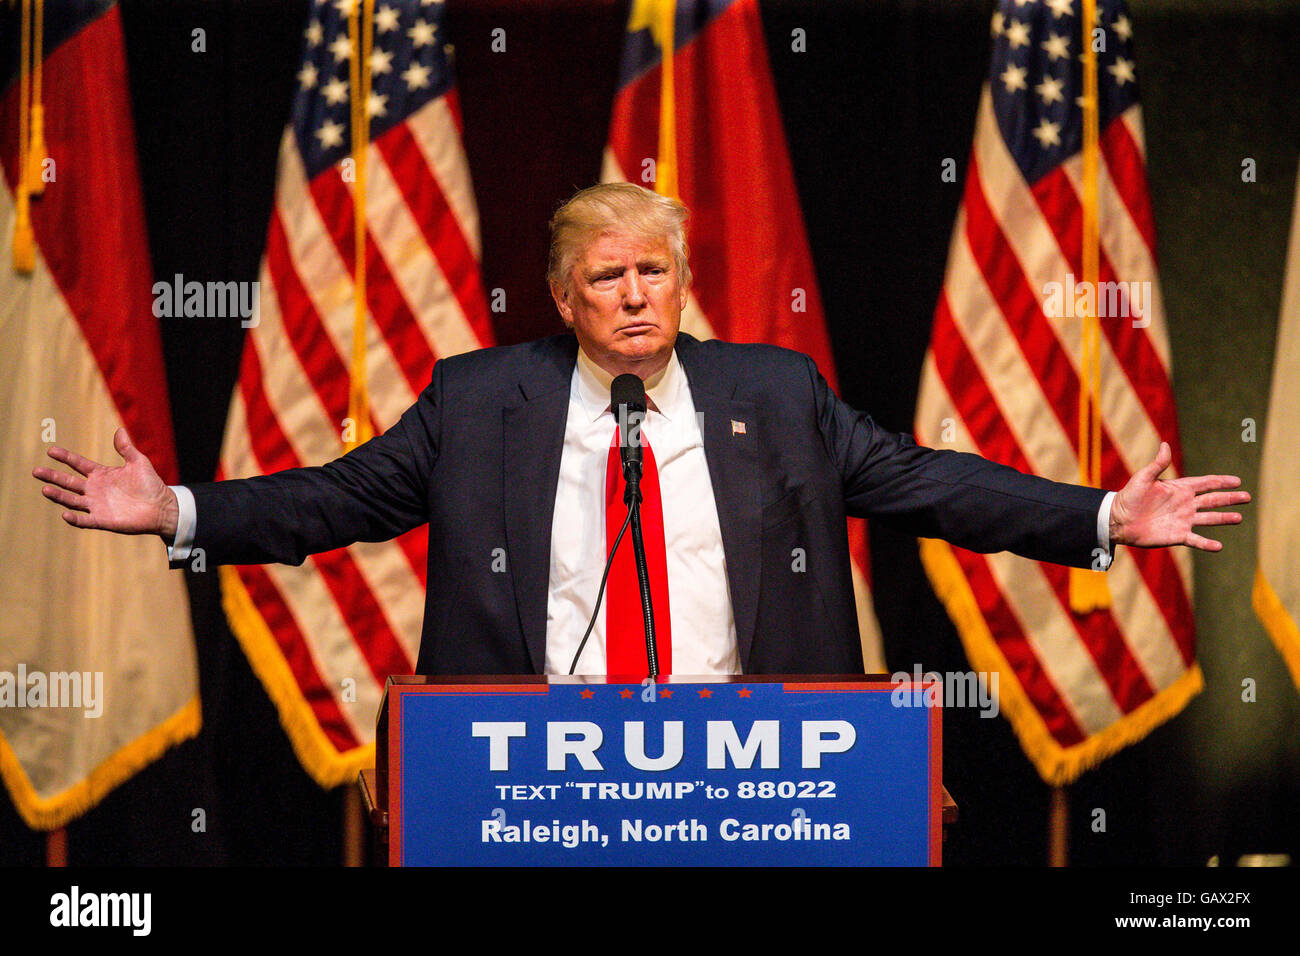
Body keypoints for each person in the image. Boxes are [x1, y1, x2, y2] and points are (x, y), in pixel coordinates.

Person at [32, 182, 1249, 677]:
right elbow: (333, 500)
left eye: (654, 271)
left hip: (747, 770)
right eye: (606, 275)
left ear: (682, 285)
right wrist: (176, 508)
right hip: (534, 777)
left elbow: (930, 483)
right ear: (562, 298)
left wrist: (1101, 513)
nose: (633, 294)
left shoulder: (774, 394)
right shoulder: (478, 401)